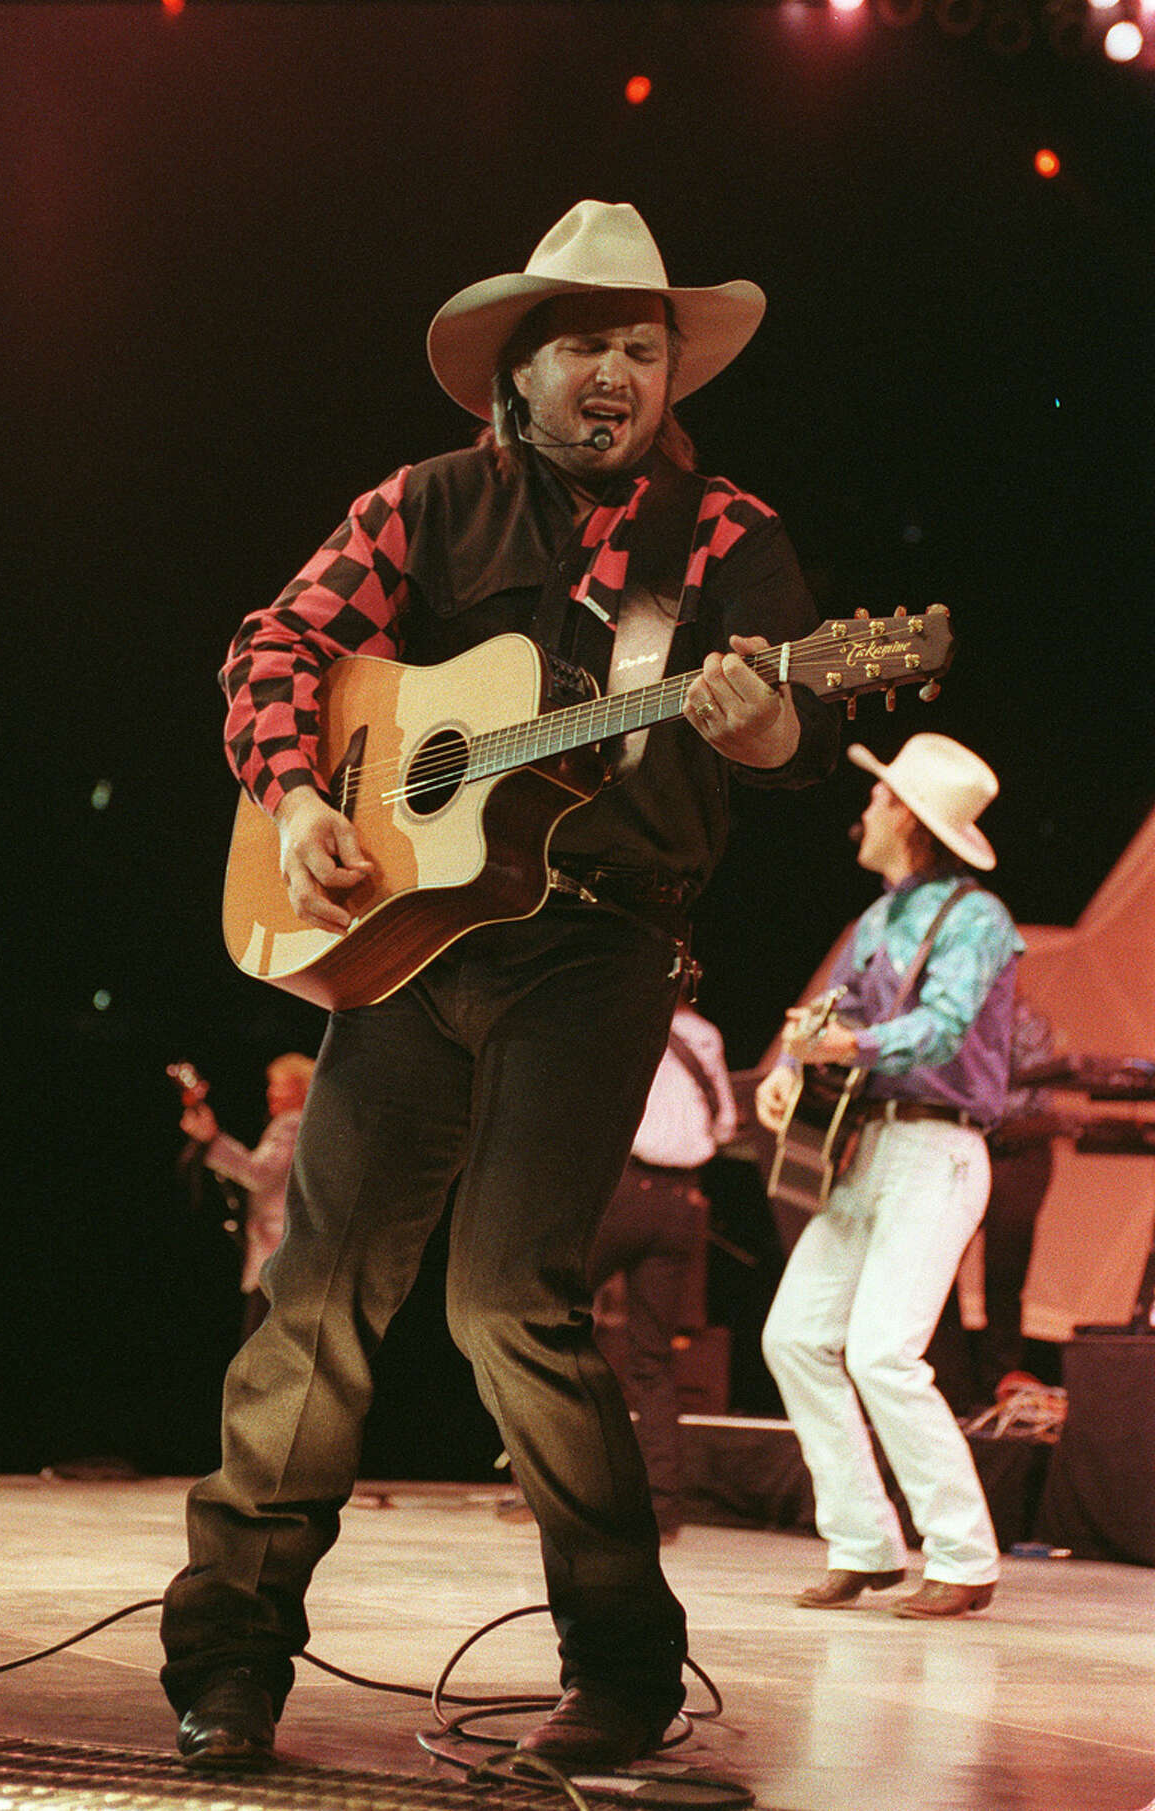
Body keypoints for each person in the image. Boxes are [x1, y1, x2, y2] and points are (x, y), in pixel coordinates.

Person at [160, 198, 839, 1774]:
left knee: (506, 1298)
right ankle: (231, 1660)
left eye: (643, 347)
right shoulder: (424, 504)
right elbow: (274, 650)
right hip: (415, 946)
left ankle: (619, 1665)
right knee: (314, 1297)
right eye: (586, 343)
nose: (619, 372)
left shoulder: (721, 537)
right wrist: (301, 800)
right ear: (514, 373)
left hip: (597, 946)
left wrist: (769, 724)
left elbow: (794, 734)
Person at [757, 733, 1023, 1618]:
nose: (864, 811)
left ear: (907, 815)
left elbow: (943, 1025)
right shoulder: (875, 922)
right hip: (865, 1147)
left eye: (878, 799)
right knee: (794, 1337)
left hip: (936, 1151)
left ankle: (964, 1555)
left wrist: (852, 1044)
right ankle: (865, 1543)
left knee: (882, 1352)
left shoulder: (978, 917)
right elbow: (825, 1015)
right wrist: (791, 1066)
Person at [589, 992, 737, 1539]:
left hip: (624, 1192)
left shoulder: (622, 1015)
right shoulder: (707, 1033)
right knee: (652, 1361)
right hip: (681, 1204)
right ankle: (662, 1507)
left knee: (546, 1323)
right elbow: (725, 1126)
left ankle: (557, 1486)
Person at [180, 1053, 315, 1341]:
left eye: (279, 1085)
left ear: (302, 1088)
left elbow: (258, 1173)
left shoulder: (292, 1123)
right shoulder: (312, 1128)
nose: (270, 1092)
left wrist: (212, 1140)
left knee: (262, 1351)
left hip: (278, 1257)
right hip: (293, 1258)